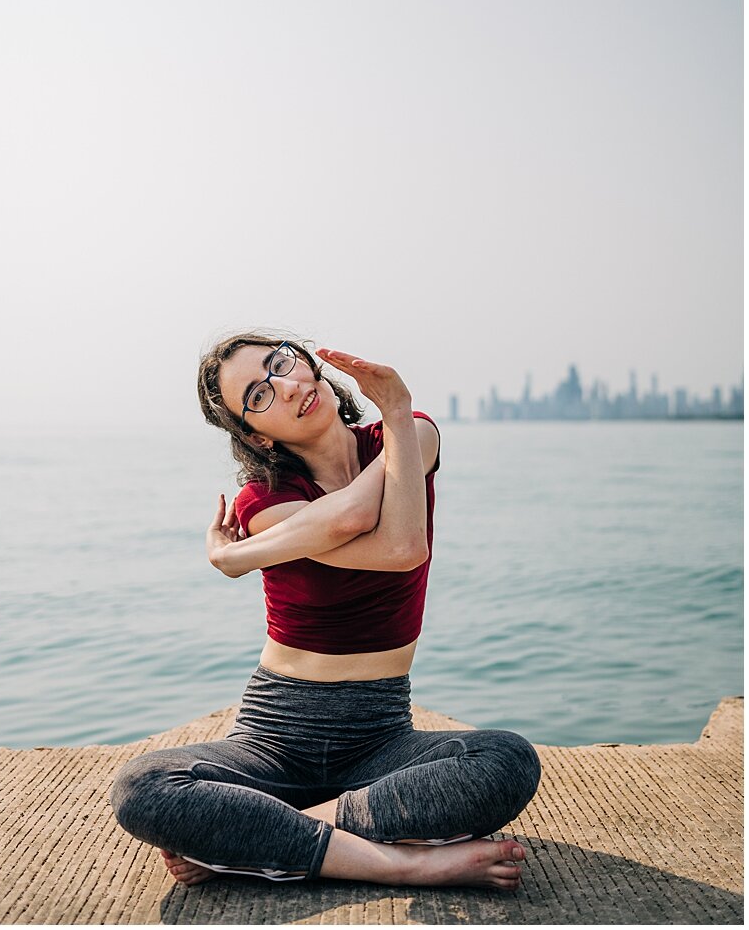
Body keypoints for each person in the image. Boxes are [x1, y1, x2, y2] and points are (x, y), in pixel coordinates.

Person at [109, 333, 541, 890]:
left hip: (380, 735)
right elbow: (358, 527)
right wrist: (236, 553)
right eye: (259, 396)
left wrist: (233, 557)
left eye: (281, 363)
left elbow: (404, 546)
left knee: (506, 760)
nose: (287, 387)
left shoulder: (412, 432)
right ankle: (403, 866)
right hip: (275, 738)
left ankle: (264, 839)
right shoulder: (263, 502)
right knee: (142, 787)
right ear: (256, 436)